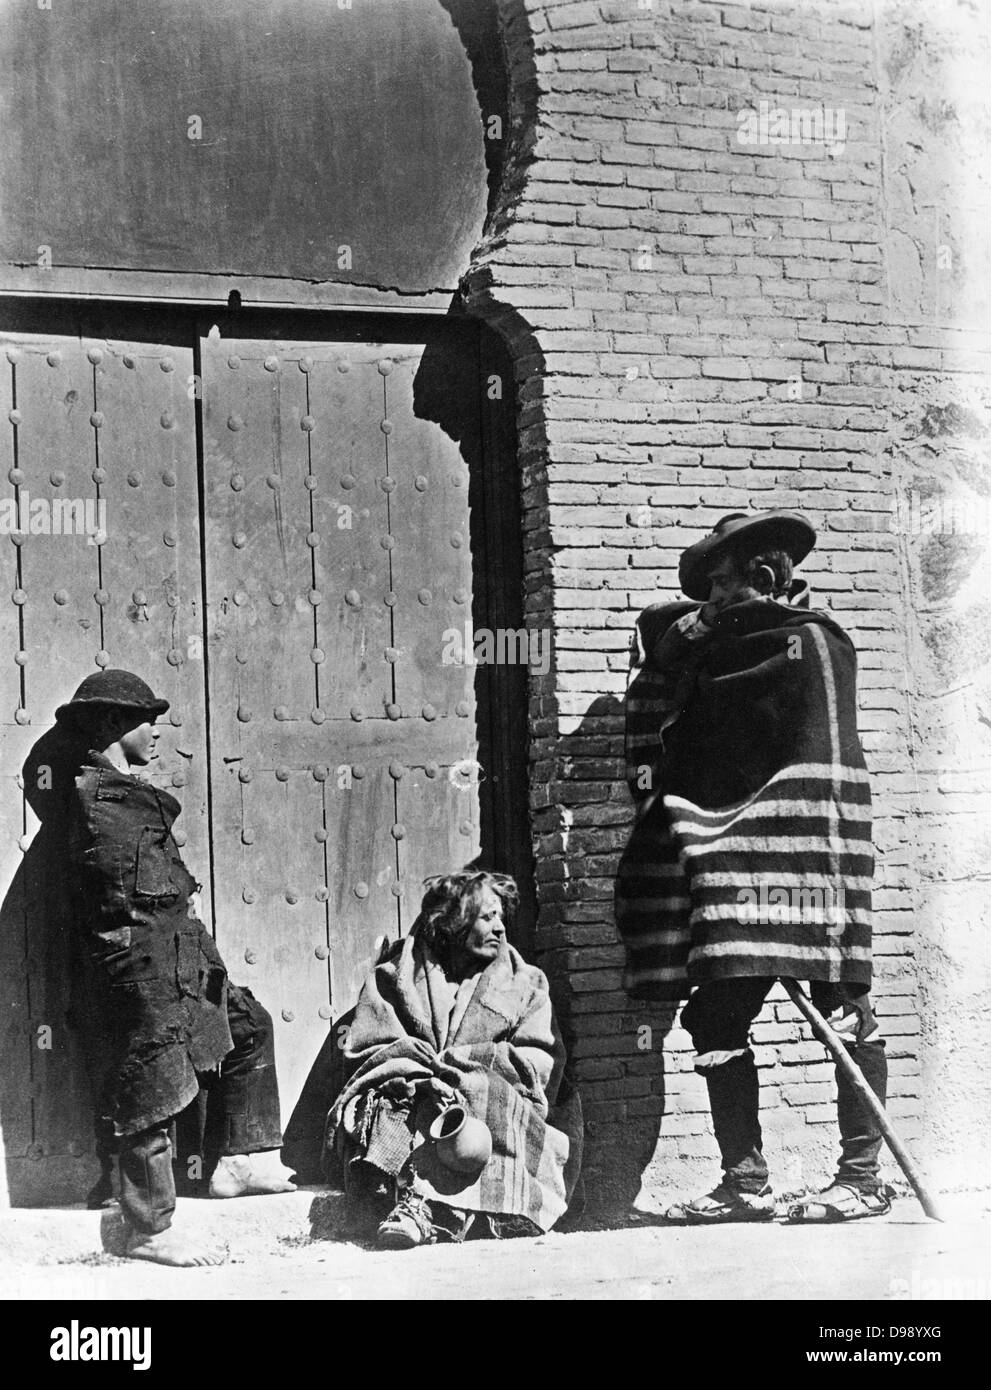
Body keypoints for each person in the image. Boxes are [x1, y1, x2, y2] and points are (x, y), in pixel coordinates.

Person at [616, 511, 890, 1223]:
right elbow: (659, 672)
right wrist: (696, 626)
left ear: (764, 575)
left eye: (720, 582)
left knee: (843, 1013)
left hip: (806, 860)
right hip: (732, 861)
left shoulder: (814, 643)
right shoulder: (709, 656)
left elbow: (825, 767)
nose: (710, 598)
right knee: (714, 1016)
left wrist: (784, 838)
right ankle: (744, 1183)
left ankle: (861, 1176)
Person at [58, 670, 295, 1265]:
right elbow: (132, 902)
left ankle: (240, 1160)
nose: (159, 733)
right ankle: (150, 1230)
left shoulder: (124, 795)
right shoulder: (98, 800)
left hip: (177, 953)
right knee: (151, 1090)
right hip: (140, 964)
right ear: (114, 725)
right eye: (148, 721)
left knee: (249, 1025)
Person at [325, 869, 583, 1248]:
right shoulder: (395, 977)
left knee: (480, 1094)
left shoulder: (527, 983)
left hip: (490, 1108)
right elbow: (371, 1049)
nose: (499, 927)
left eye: (500, 916)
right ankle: (419, 1205)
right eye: (486, 917)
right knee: (398, 1095)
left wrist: (470, 1067)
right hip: (420, 1100)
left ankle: (431, 1210)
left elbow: (539, 1060)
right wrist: (420, 1070)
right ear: (453, 924)